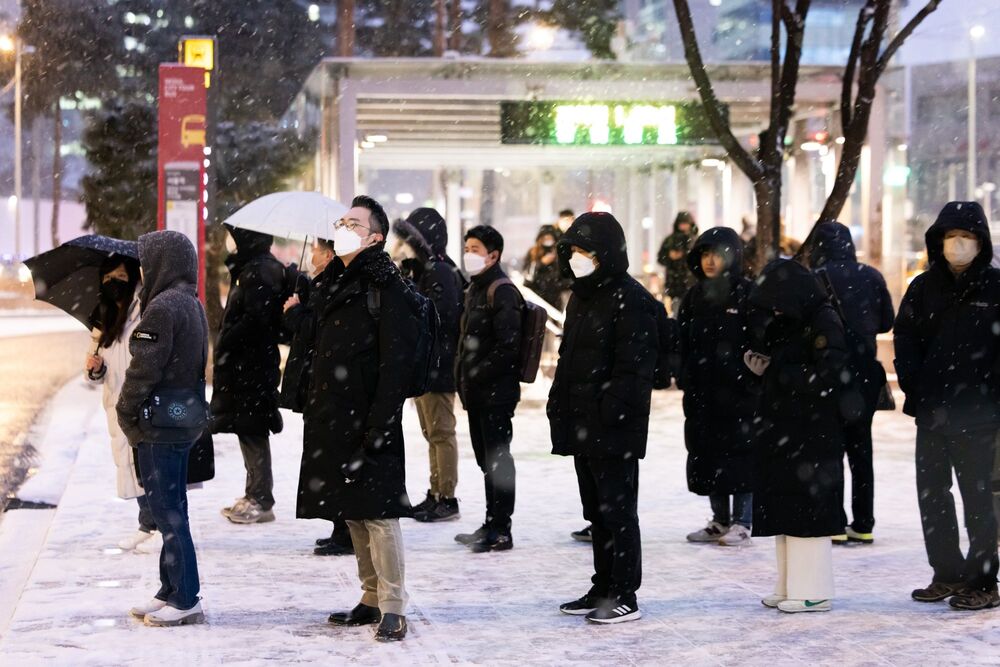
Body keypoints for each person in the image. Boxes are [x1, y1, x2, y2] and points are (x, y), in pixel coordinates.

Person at [299, 195, 418, 642]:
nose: (344, 227)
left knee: (380, 513)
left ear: (375, 238)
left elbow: (396, 365)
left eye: (355, 223)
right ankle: (369, 597)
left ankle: (393, 605)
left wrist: (380, 423)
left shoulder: (388, 288)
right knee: (352, 511)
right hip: (334, 414)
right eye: (342, 221)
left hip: (371, 416)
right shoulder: (332, 281)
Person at [548, 212, 657, 624]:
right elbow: (567, 359)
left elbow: (635, 371)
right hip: (583, 422)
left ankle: (624, 590)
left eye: (585, 251)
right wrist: (561, 402)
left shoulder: (633, 300)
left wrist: (608, 411)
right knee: (595, 511)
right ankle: (603, 584)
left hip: (613, 428)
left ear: (606, 254)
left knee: (618, 510)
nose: (577, 258)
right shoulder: (581, 296)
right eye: (573, 250)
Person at [894, 201, 1000, 611]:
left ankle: (983, 581)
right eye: (950, 237)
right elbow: (906, 341)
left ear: (980, 242)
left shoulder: (995, 287)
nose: (958, 245)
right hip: (933, 412)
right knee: (932, 494)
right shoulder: (923, 288)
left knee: (979, 499)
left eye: (966, 237)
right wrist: (917, 390)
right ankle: (947, 573)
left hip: (980, 416)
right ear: (938, 242)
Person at [116, 230, 209, 627]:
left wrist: (126, 411)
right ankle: (170, 588)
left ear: (161, 264)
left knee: (168, 513)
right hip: (181, 417)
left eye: (145, 261)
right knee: (172, 509)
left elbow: (143, 370)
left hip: (158, 423)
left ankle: (185, 596)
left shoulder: (162, 308)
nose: (142, 268)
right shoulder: (191, 303)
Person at [747, 259, 848, 614]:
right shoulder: (790, 322)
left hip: (812, 432)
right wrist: (764, 372)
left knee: (809, 513)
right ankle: (789, 583)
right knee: (787, 507)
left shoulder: (823, 320)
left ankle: (813, 590)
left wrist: (778, 373)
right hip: (786, 429)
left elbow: (830, 375)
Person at [806, 221, 894, 546]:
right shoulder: (871, 276)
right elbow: (887, 321)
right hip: (865, 374)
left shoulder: (816, 279)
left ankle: (835, 523)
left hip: (831, 372)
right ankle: (864, 522)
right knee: (862, 450)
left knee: (831, 449)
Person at [678, 227, 757, 547]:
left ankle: (743, 521)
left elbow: (760, 338)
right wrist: (684, 374)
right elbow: (681, 341)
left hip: (740, 394)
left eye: (717, 254)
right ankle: (719, 518)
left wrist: (748, 378)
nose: (710, 261)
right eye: (704, 254)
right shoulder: (694, 297)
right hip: (703, 393)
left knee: (741, 455)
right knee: (709, 455)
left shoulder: (747, 293)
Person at [280, 238, 354, 557]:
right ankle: (340, 525)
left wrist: (297, 312)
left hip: (330, 387)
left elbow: (318, 329)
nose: (312, 257)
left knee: (335, 458)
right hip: (318, 384)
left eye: (316, 251)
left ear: (329, 255)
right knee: (326, 458)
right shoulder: (321, 284)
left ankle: (345, 529)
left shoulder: (337, 286)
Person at [393, 208, 466, 523]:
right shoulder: (429, 270)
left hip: (438, 366)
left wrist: (411, 290)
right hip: (427, 365)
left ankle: (446, 496)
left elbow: (440, 317)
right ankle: (436, 492)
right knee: (431, 432)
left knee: (440, 432)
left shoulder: (439, 272)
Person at [454, 225, 523, 553]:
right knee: (486, 459)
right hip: (478, 393)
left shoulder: (501, 290)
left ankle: (502, 527)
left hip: (496, 393)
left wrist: (479, 372)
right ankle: (491, 521)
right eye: (467, 246)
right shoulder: (476, 289)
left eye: (476, 248)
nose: (469, 253)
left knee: (498, 460)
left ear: (493, 254)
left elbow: (508, 346)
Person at [213, 225, 287, 525]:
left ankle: (261, 498)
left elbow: (256, 321)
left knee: (253, 429)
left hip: (251, 368)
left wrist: (228, 337)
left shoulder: (258, 272)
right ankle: (253, 492)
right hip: (248, 366)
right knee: (248, 428)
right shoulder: (253, 268)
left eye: (236, 236)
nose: (231, 243)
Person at [85, 256, 153, 551]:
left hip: (141, 399)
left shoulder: (145, 309)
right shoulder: (102, 318)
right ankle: (147, 523)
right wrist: (95, 367)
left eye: (121, 276)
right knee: (130, 463)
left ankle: (160, 526)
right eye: (108, 277)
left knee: (148, 464)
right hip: (116, 402)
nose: (114, 283)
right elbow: (94, 373)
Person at [657, 211, 698, 315]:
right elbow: (660, 258)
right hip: (675, 285)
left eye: (686, 223)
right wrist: (670, 257)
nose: (683, 226)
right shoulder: (670, 240)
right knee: (678, 313)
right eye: (681, 223)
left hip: (692, 283)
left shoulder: (696, 240)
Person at [523, 225, 567, 310]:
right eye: (545, 238)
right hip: (537, 297)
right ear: (540, 239)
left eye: (550, 238)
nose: (548, 241)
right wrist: (541, 263)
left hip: (555, 297)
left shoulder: (559, 253)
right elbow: (528, 276)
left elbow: (565, 276)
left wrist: (556, 285)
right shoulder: (533, 253)